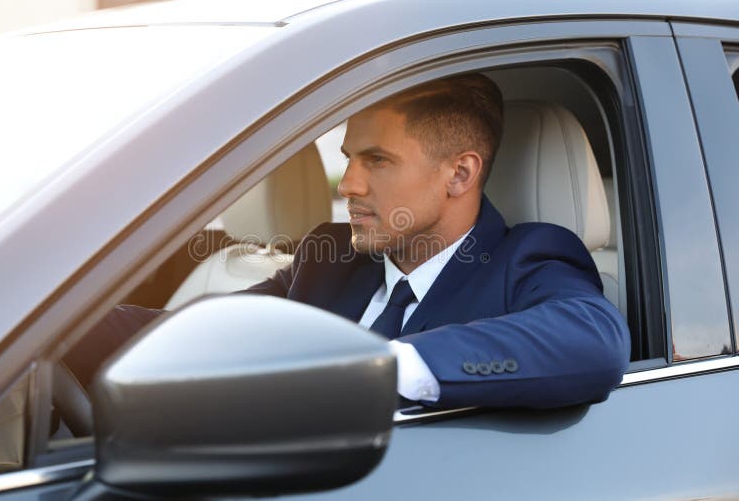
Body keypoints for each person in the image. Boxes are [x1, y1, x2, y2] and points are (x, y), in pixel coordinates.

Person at [67, 74, 631, 409]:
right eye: (349, 160)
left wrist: (378, 369)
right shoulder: (329, 259)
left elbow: (595, 339)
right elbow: (209, 331)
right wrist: (44, 329)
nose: (351, 185)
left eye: (378, 161)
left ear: (459, 174)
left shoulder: (524, 259)